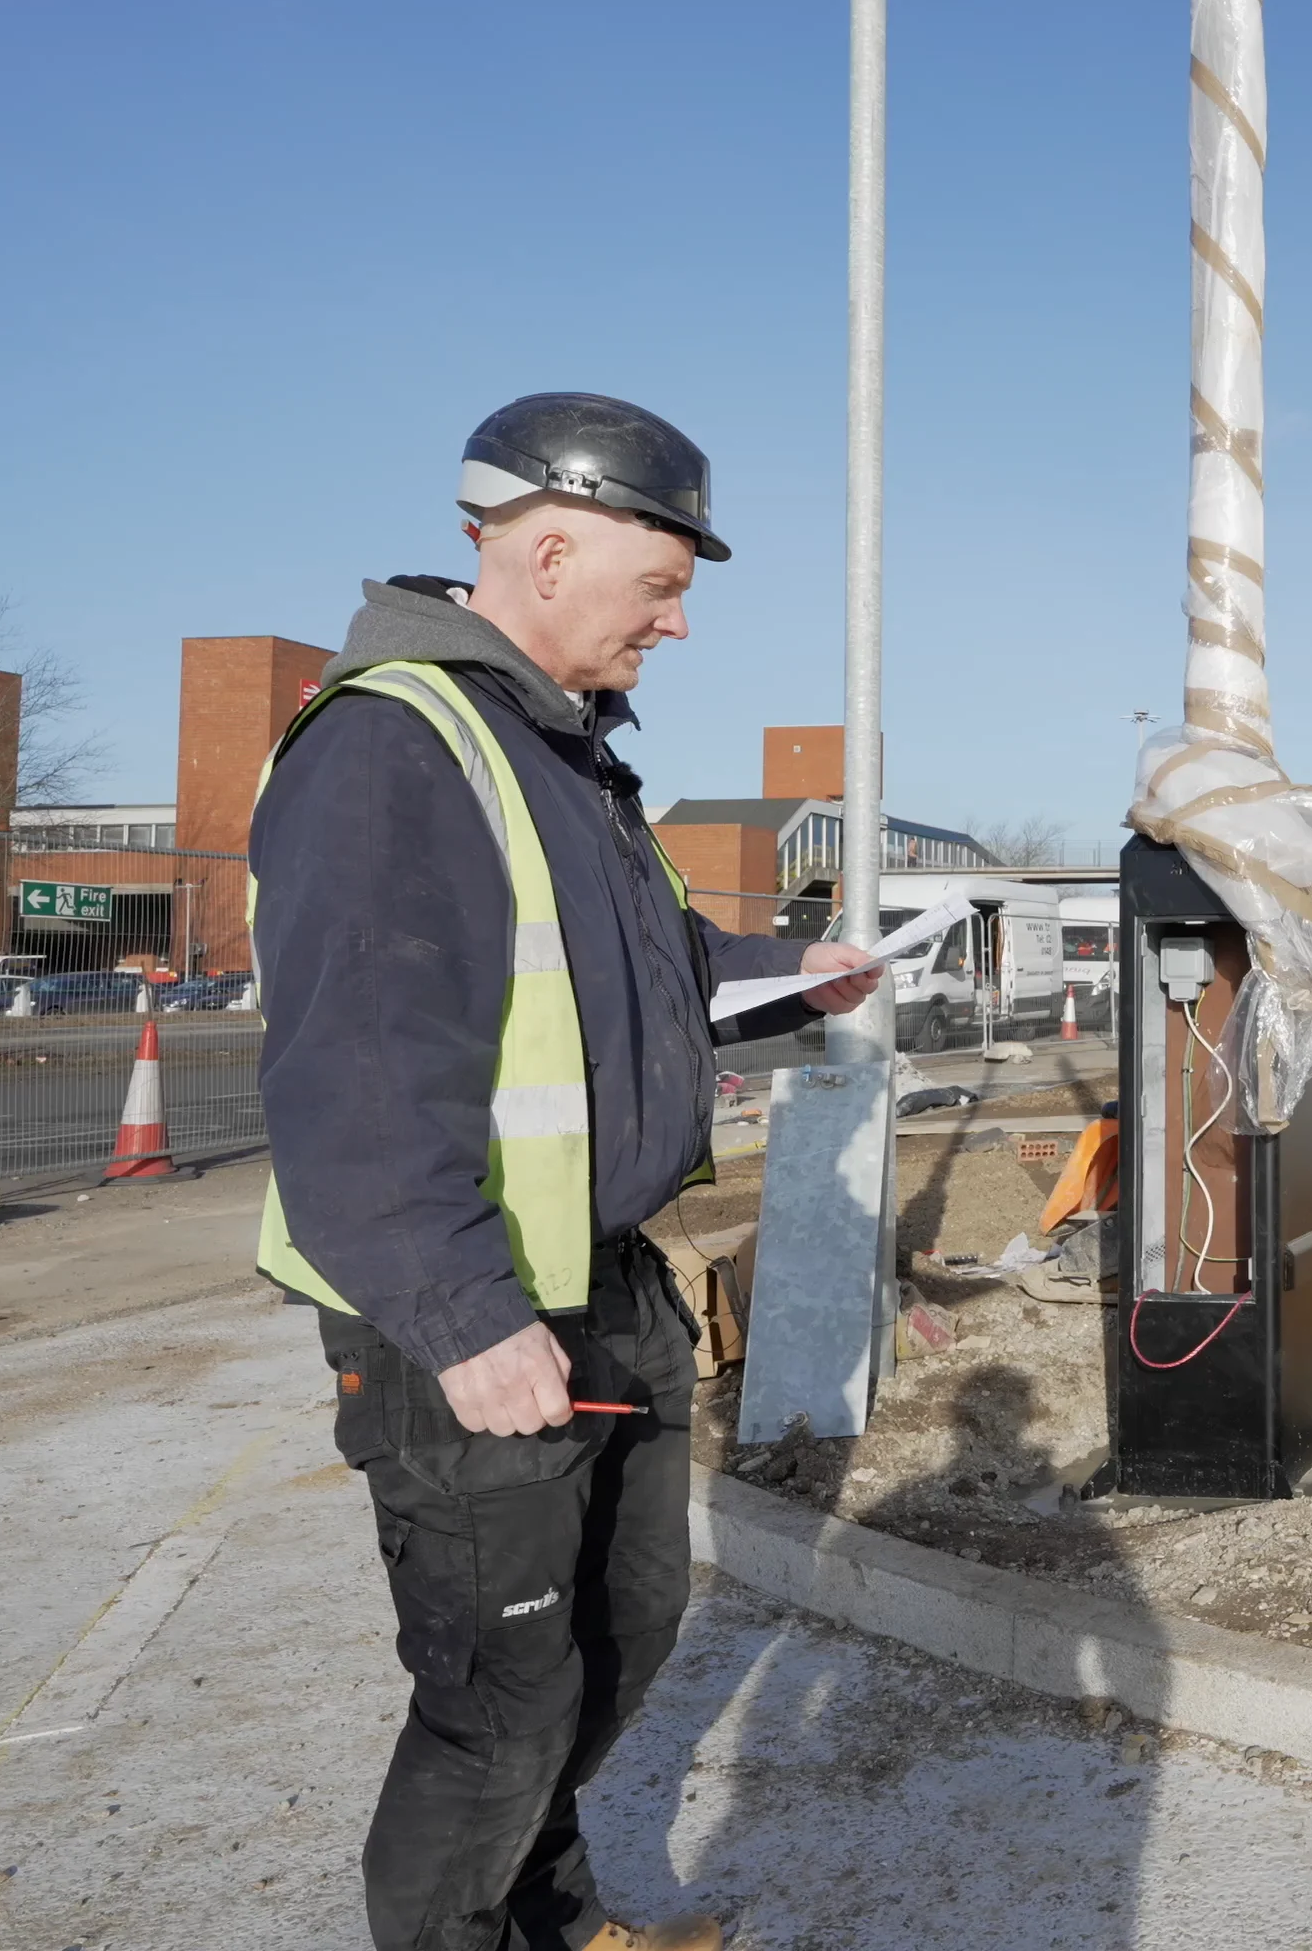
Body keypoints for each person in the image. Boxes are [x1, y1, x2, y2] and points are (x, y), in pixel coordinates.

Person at [252, 391, 881, 1951]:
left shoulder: (566, 758)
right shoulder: (401, 743)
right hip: (468, 1306)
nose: (674, 625)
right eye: (660, 586)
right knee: (498, 1703)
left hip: (599, 1282)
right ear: (546, 550)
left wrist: (795, 975)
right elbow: (358, 1066)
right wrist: (461, 1314)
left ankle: (558, 1919)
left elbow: (642, 972)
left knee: (620, 1636)